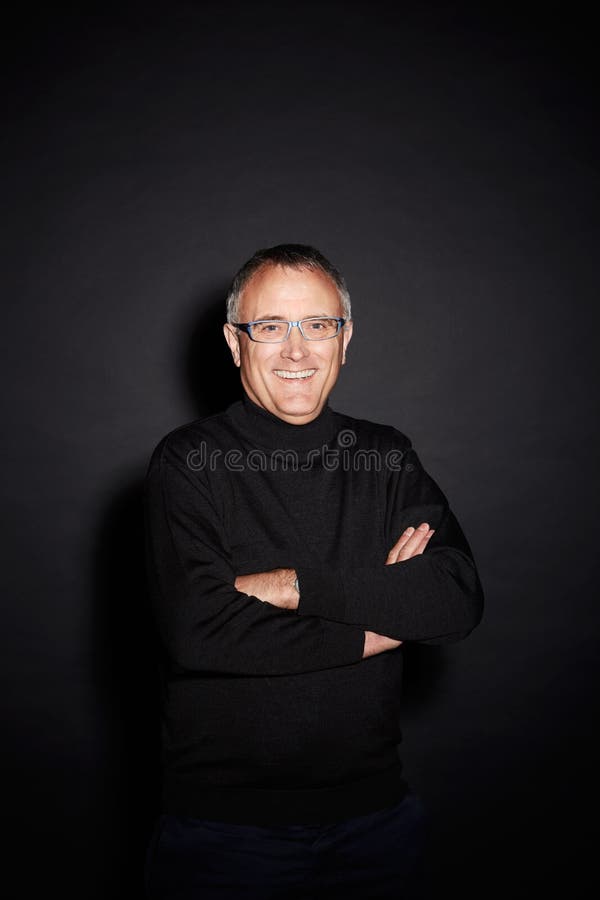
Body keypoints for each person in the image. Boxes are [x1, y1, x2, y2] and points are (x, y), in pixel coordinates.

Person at [143, 244, 484, 899]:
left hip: (379, 827)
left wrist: (293, 586)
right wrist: (385, 620)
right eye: (270, 327)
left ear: (345, 338)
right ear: (234, 342)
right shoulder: (188, 462)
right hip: (224, 838)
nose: (296, 351)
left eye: (318, 325)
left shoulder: (386, 457)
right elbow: (199, 632)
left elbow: (455, 598)